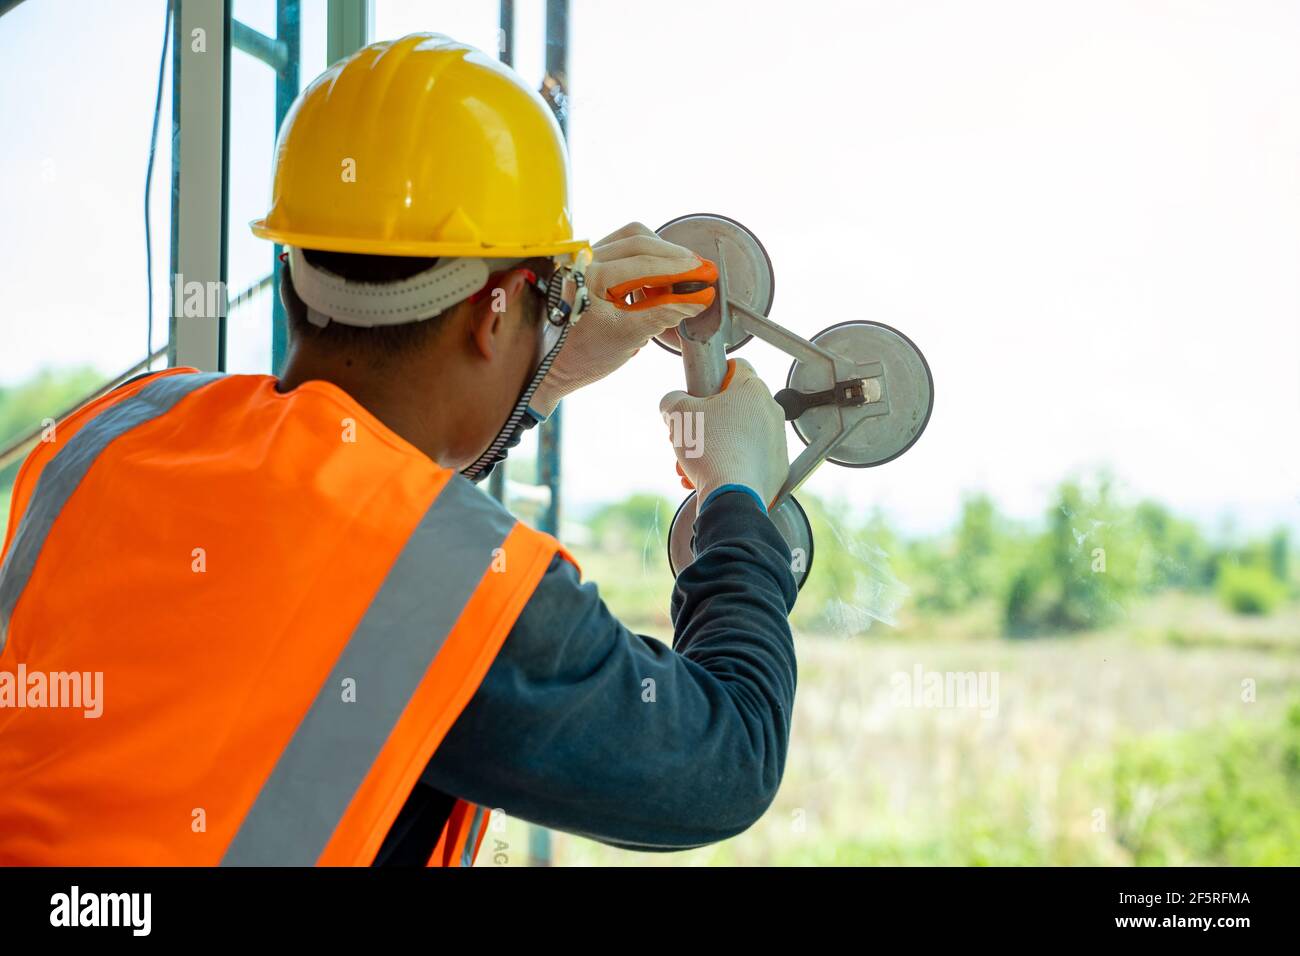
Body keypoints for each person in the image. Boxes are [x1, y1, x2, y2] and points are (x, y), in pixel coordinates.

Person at [0, 33, 795, 866]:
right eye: (544, 304)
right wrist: (737, 497)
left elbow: (336, 512)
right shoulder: (442, 586)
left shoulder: (120, 431)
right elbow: (725, 759)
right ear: (492, 314)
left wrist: (536, 366)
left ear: (291, 268)